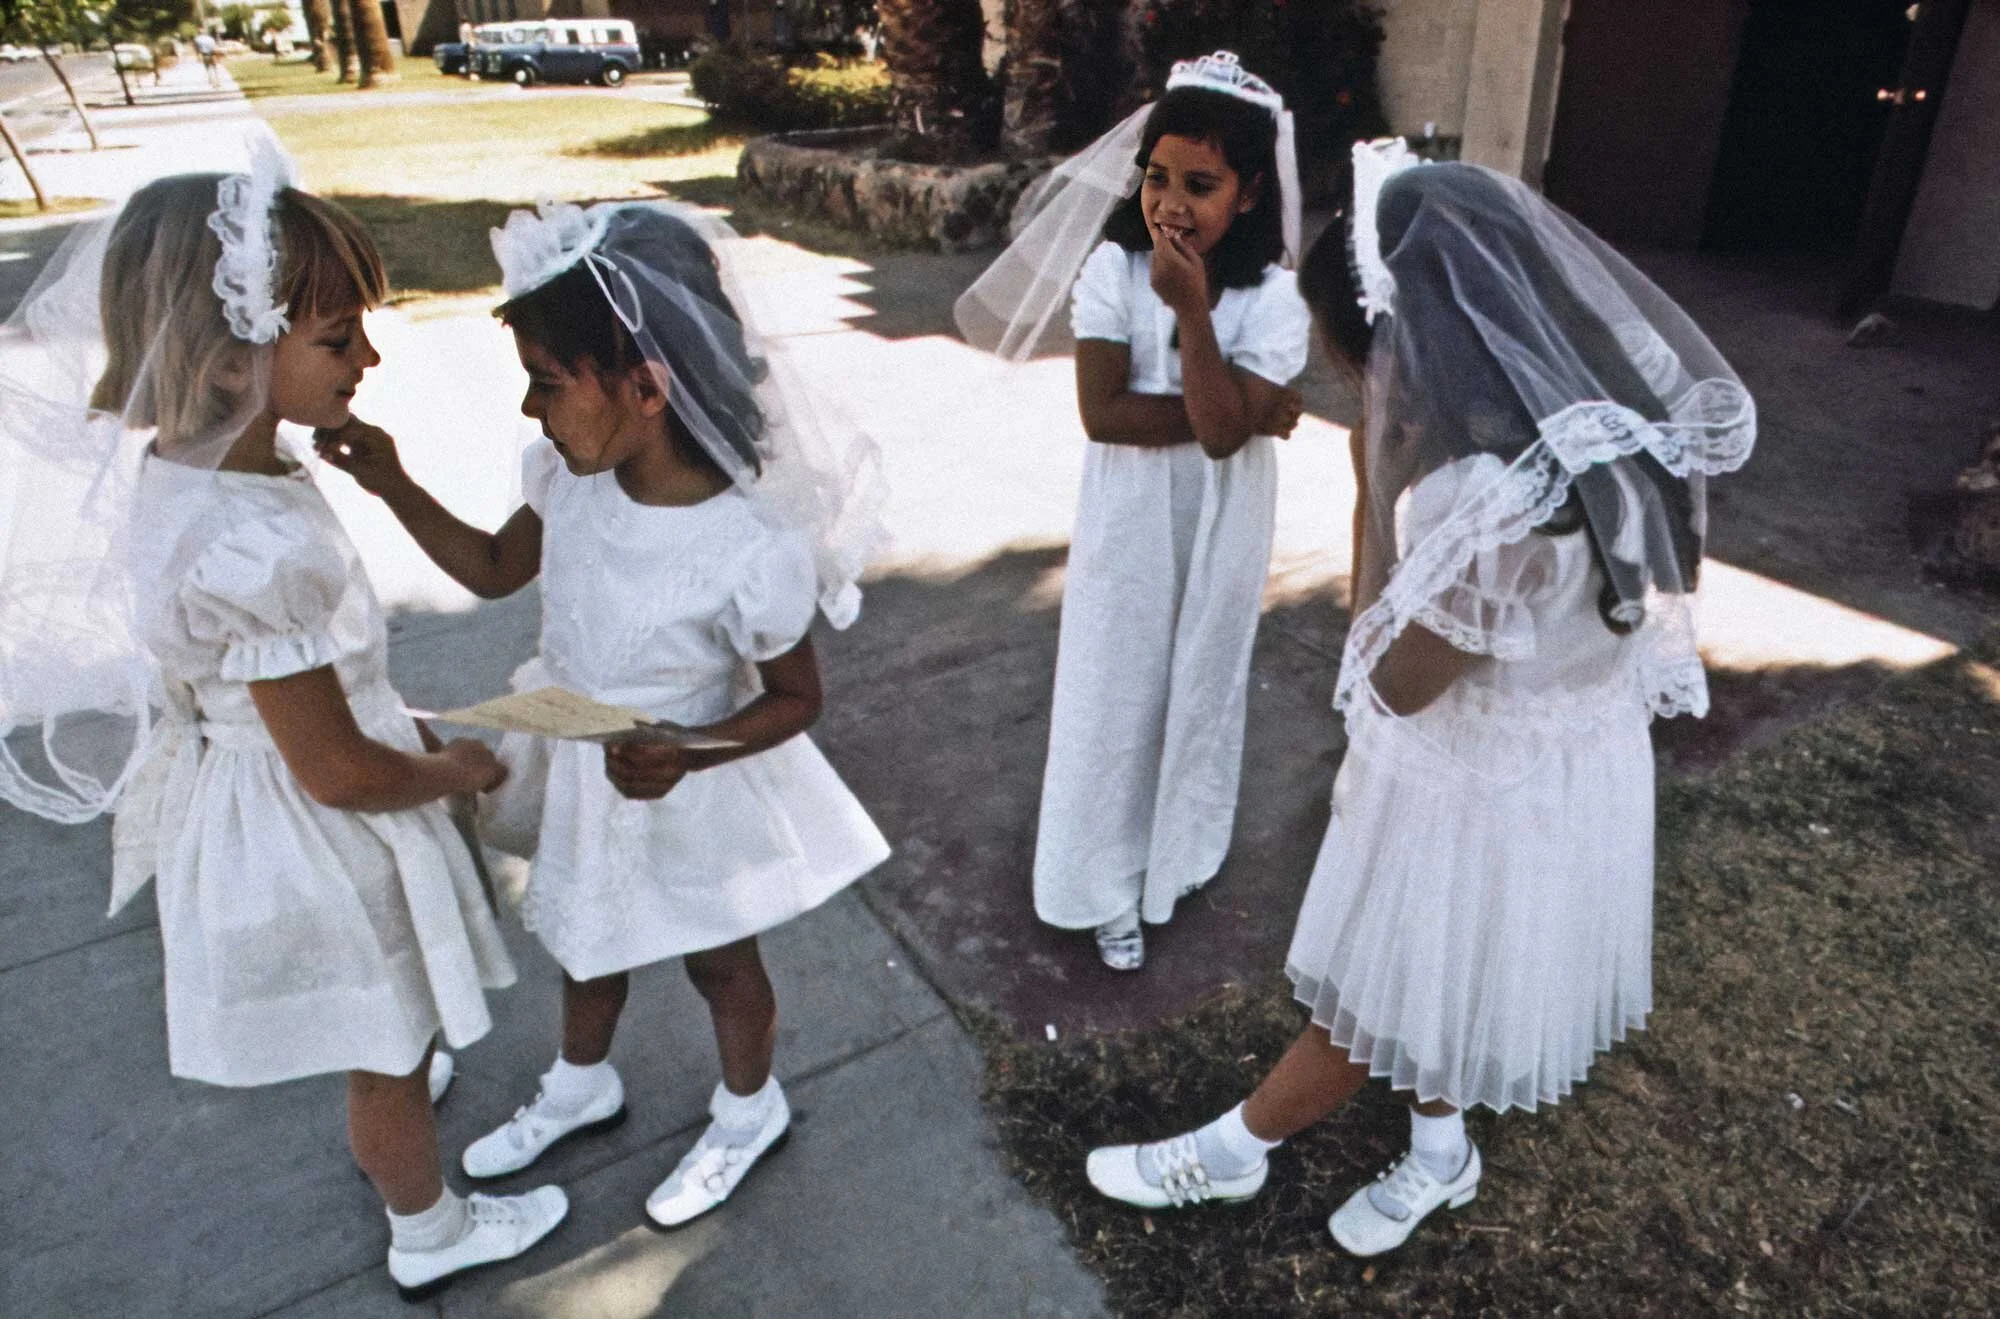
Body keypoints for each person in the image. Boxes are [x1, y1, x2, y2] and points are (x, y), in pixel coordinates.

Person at [1082, 144, 1756, 1254]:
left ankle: (1232, 1148)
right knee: (1455, 955)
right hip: (1573, 753)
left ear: (1394, 335)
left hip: (1472, 774)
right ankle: (1439, 1147)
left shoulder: (1464, 489)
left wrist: (1366, 490)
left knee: (1379, 983)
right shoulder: (1613, 422)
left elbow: (1390, 678)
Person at [0, 140, 568, 1300]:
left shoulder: (214, 475)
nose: (366, 355)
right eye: (335, 338)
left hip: (272, 793)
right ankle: (430, 1221)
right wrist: (452, 764)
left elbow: (280, 695)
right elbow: (335, 767)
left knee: (388, 1031)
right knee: (387, 1044)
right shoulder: (250, 544)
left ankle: (396, 1095)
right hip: (319, 830)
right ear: (222, 363)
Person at [315, 199, 890, 1228]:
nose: (534, 411)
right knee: (586, 937)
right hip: (584, 759)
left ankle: (748, 1105)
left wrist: (689, 747)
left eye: (545, 382)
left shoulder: (746, 544)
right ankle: (582, 1079)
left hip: (685, 774)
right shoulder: (571, 483)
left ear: (646, 387)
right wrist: (393, 482)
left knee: (720, 958)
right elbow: (493, 567)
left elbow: (798, 696)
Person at [956, 51, 1310, 971]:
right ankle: (1099, 884)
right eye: (1157, 177)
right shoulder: (1113, 271)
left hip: (1221, 520)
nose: (1170, 204)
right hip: (1128, 518)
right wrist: (1238, 402)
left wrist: (1195, 317)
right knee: (1114, 686)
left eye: (1201, 184)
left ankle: (1172, 859)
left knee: (1199, 678)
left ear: (1251, 191)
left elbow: (1227, 442)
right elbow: (1106, 412)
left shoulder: (1274, 297)